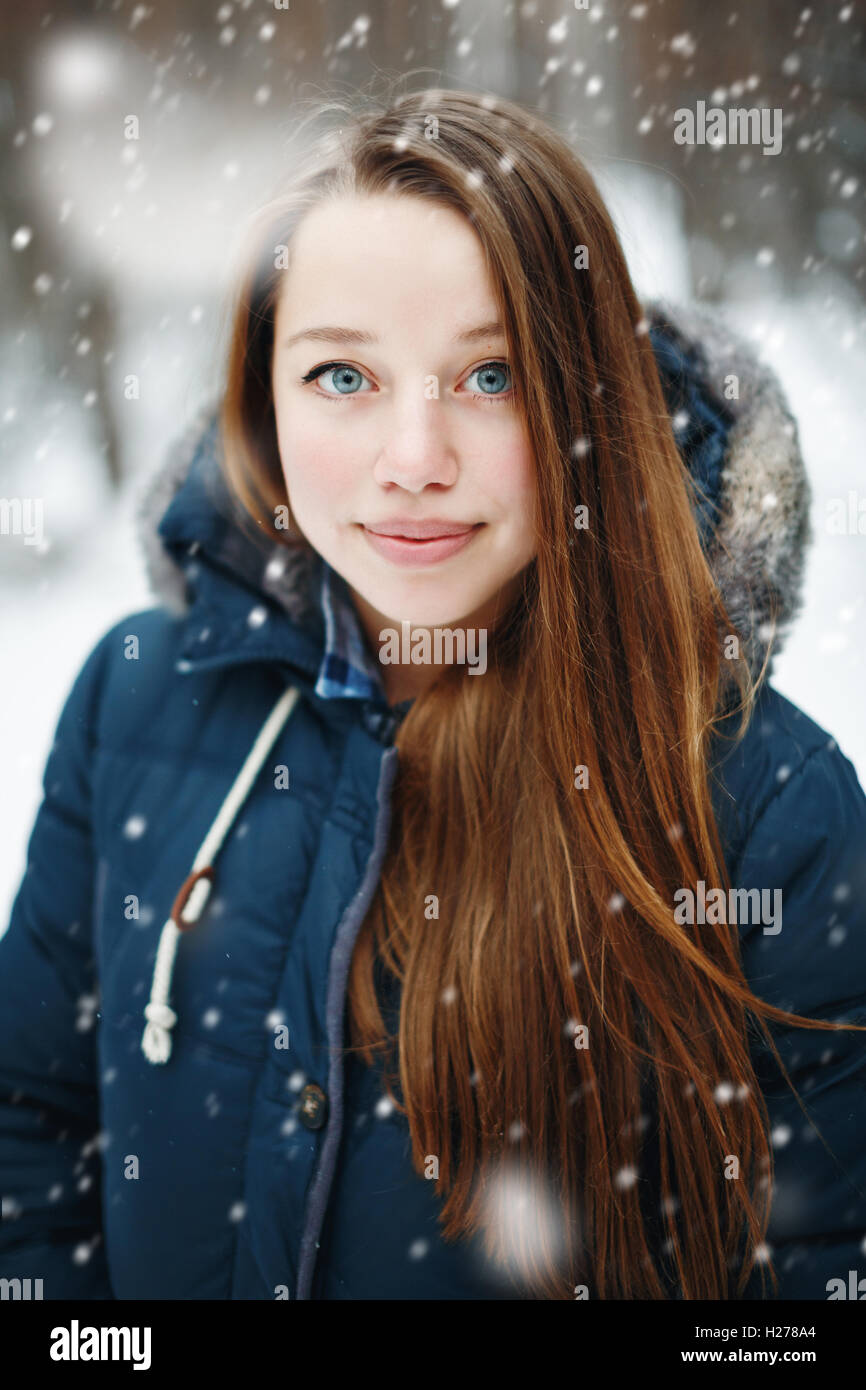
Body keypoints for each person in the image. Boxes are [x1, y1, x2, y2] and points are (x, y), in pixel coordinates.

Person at [1, 85, 865, 1302]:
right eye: (342, 378)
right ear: (262, 401)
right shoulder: (136, 704)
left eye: (491, 375)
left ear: (584, 401)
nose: (414, 461)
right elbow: (29, 1133)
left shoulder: (768, 809)